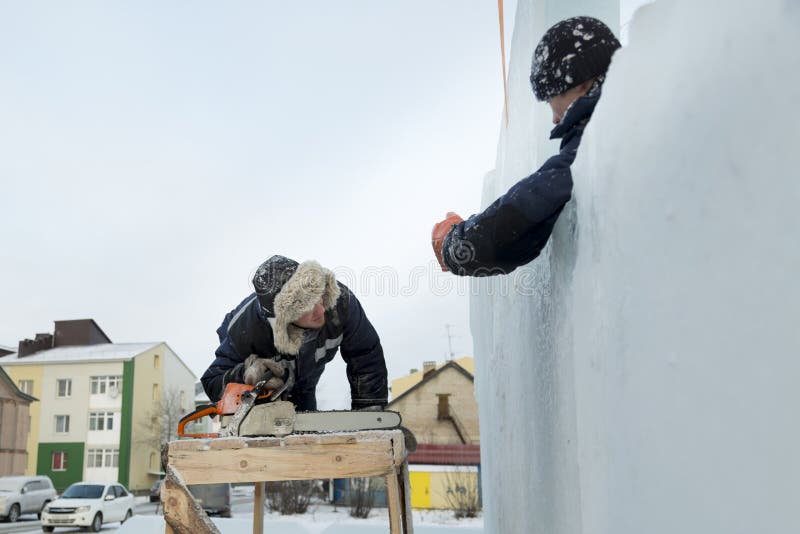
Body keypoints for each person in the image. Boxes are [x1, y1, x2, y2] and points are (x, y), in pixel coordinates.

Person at [432, 16, 620, 276]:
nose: (554, 118)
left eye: (552, 97)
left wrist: (455, 246)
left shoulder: (597, 137)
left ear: (580, 82)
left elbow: (522, 215)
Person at [201, 255, 388, 411]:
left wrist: (370, 413)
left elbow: (366, 356)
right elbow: (212, 381)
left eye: (319, 298)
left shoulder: (342, 304)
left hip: (305, 382)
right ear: (285, 319)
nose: (321, 310)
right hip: (261, 399)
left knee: (306, 430)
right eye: (306, 308)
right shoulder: (246, 330)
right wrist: (246, 374)